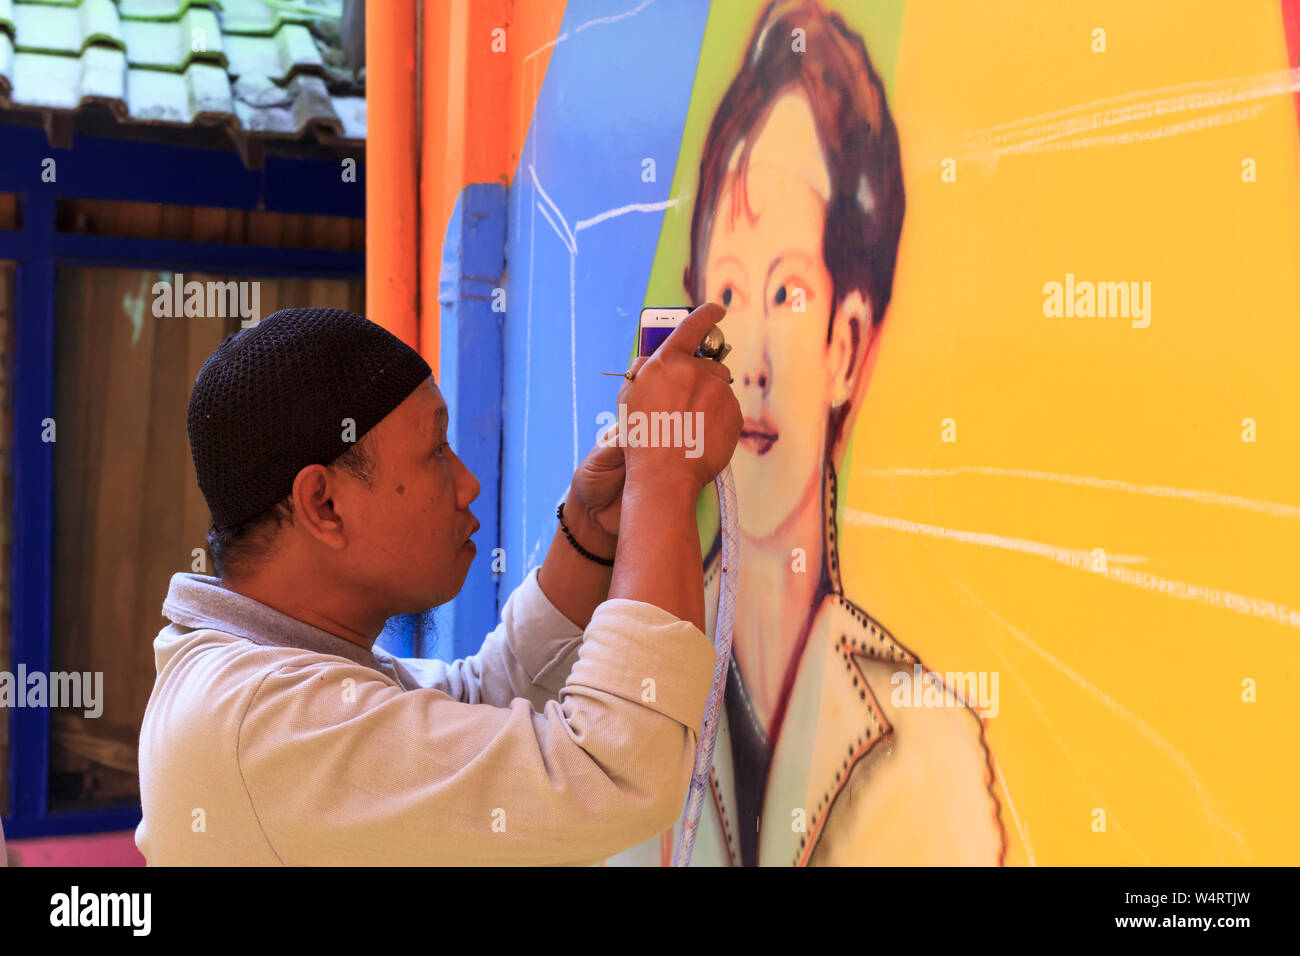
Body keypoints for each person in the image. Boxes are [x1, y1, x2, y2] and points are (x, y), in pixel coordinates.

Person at [607, 0, 1005, 866]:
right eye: (728, 295)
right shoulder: (617, 685)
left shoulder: (931, 752)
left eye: (788, 294)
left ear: (848, 346)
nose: (748, 363)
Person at [136, 303, 742, 865]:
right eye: (436, 451)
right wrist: (663, 476)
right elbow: (614, 770)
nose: (468, 483)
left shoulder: (264, 680)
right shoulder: (262, 722)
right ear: (323, 504)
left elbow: (481, 710)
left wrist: (589, 534)